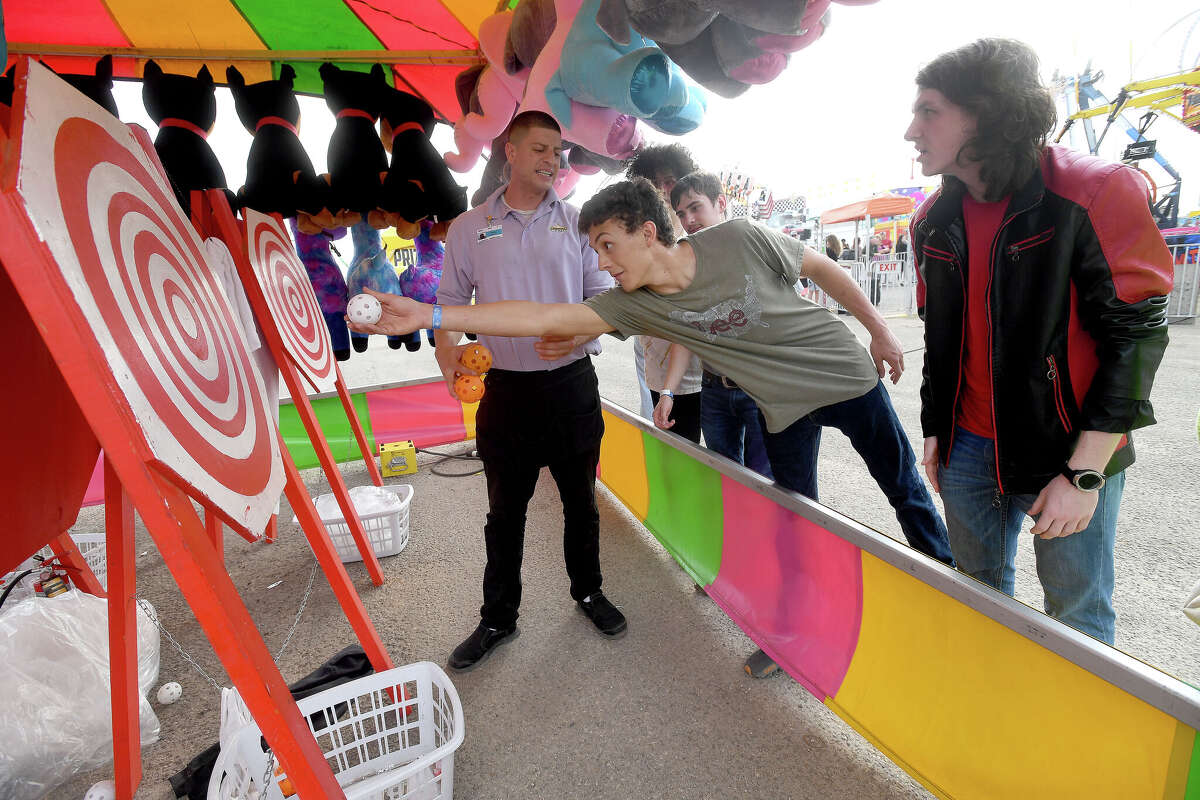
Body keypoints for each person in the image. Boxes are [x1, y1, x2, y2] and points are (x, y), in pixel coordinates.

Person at [353, 177, 956, 671]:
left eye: (607, 246)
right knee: (796, 521)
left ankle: (960, 610)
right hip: (785, 409)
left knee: (905, 491)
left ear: (647, 232)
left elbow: (823, 270)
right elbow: (541, 315)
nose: (600, 262)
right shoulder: (633, 304)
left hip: (844, 375)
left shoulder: (739, 238)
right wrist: (432, 314)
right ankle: (792, 637)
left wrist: (879, 330)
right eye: (594, 250)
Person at [906, 39, 1173, 644]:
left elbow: (1136, 338)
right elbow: (940, 337)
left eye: (929, 111)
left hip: (1070, 446)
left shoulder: (1094, 190)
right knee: (978, 600)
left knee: (1077, 615)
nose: (911, 130)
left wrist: (1085, 474)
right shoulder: (931, 221)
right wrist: (935, 427)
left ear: (985, 113)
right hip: (966, 445)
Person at [433, 110, 626, 672]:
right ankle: (498, 617)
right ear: (510, 153)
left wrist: (576, 334)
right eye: (539, 148)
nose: (552, 159)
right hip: (505, 393)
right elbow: (447, 307)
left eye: (557, 151)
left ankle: (588, 591)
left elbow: (605, 302)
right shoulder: (469, 228)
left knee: (580, 502)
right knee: (504, 512)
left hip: (571, 386)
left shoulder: (579, 223)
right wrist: (448, 361)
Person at [672, 171, 774, 480]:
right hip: (714, 387)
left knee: (767, 481)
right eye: (681, 213)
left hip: (760, 386)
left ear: (720, 203)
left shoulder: (754, 243)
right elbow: (684, 331)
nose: (689, 220)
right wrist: (667, 391)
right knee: (725, 479)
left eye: (695, 207)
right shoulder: (686, 264)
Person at [626, 144, 704, 435]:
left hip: (703, 373)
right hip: (655, 364)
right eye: (654, 183)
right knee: (662, 436)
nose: (662, 191)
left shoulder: (701, 239)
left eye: (669, 182)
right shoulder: (635, 244)